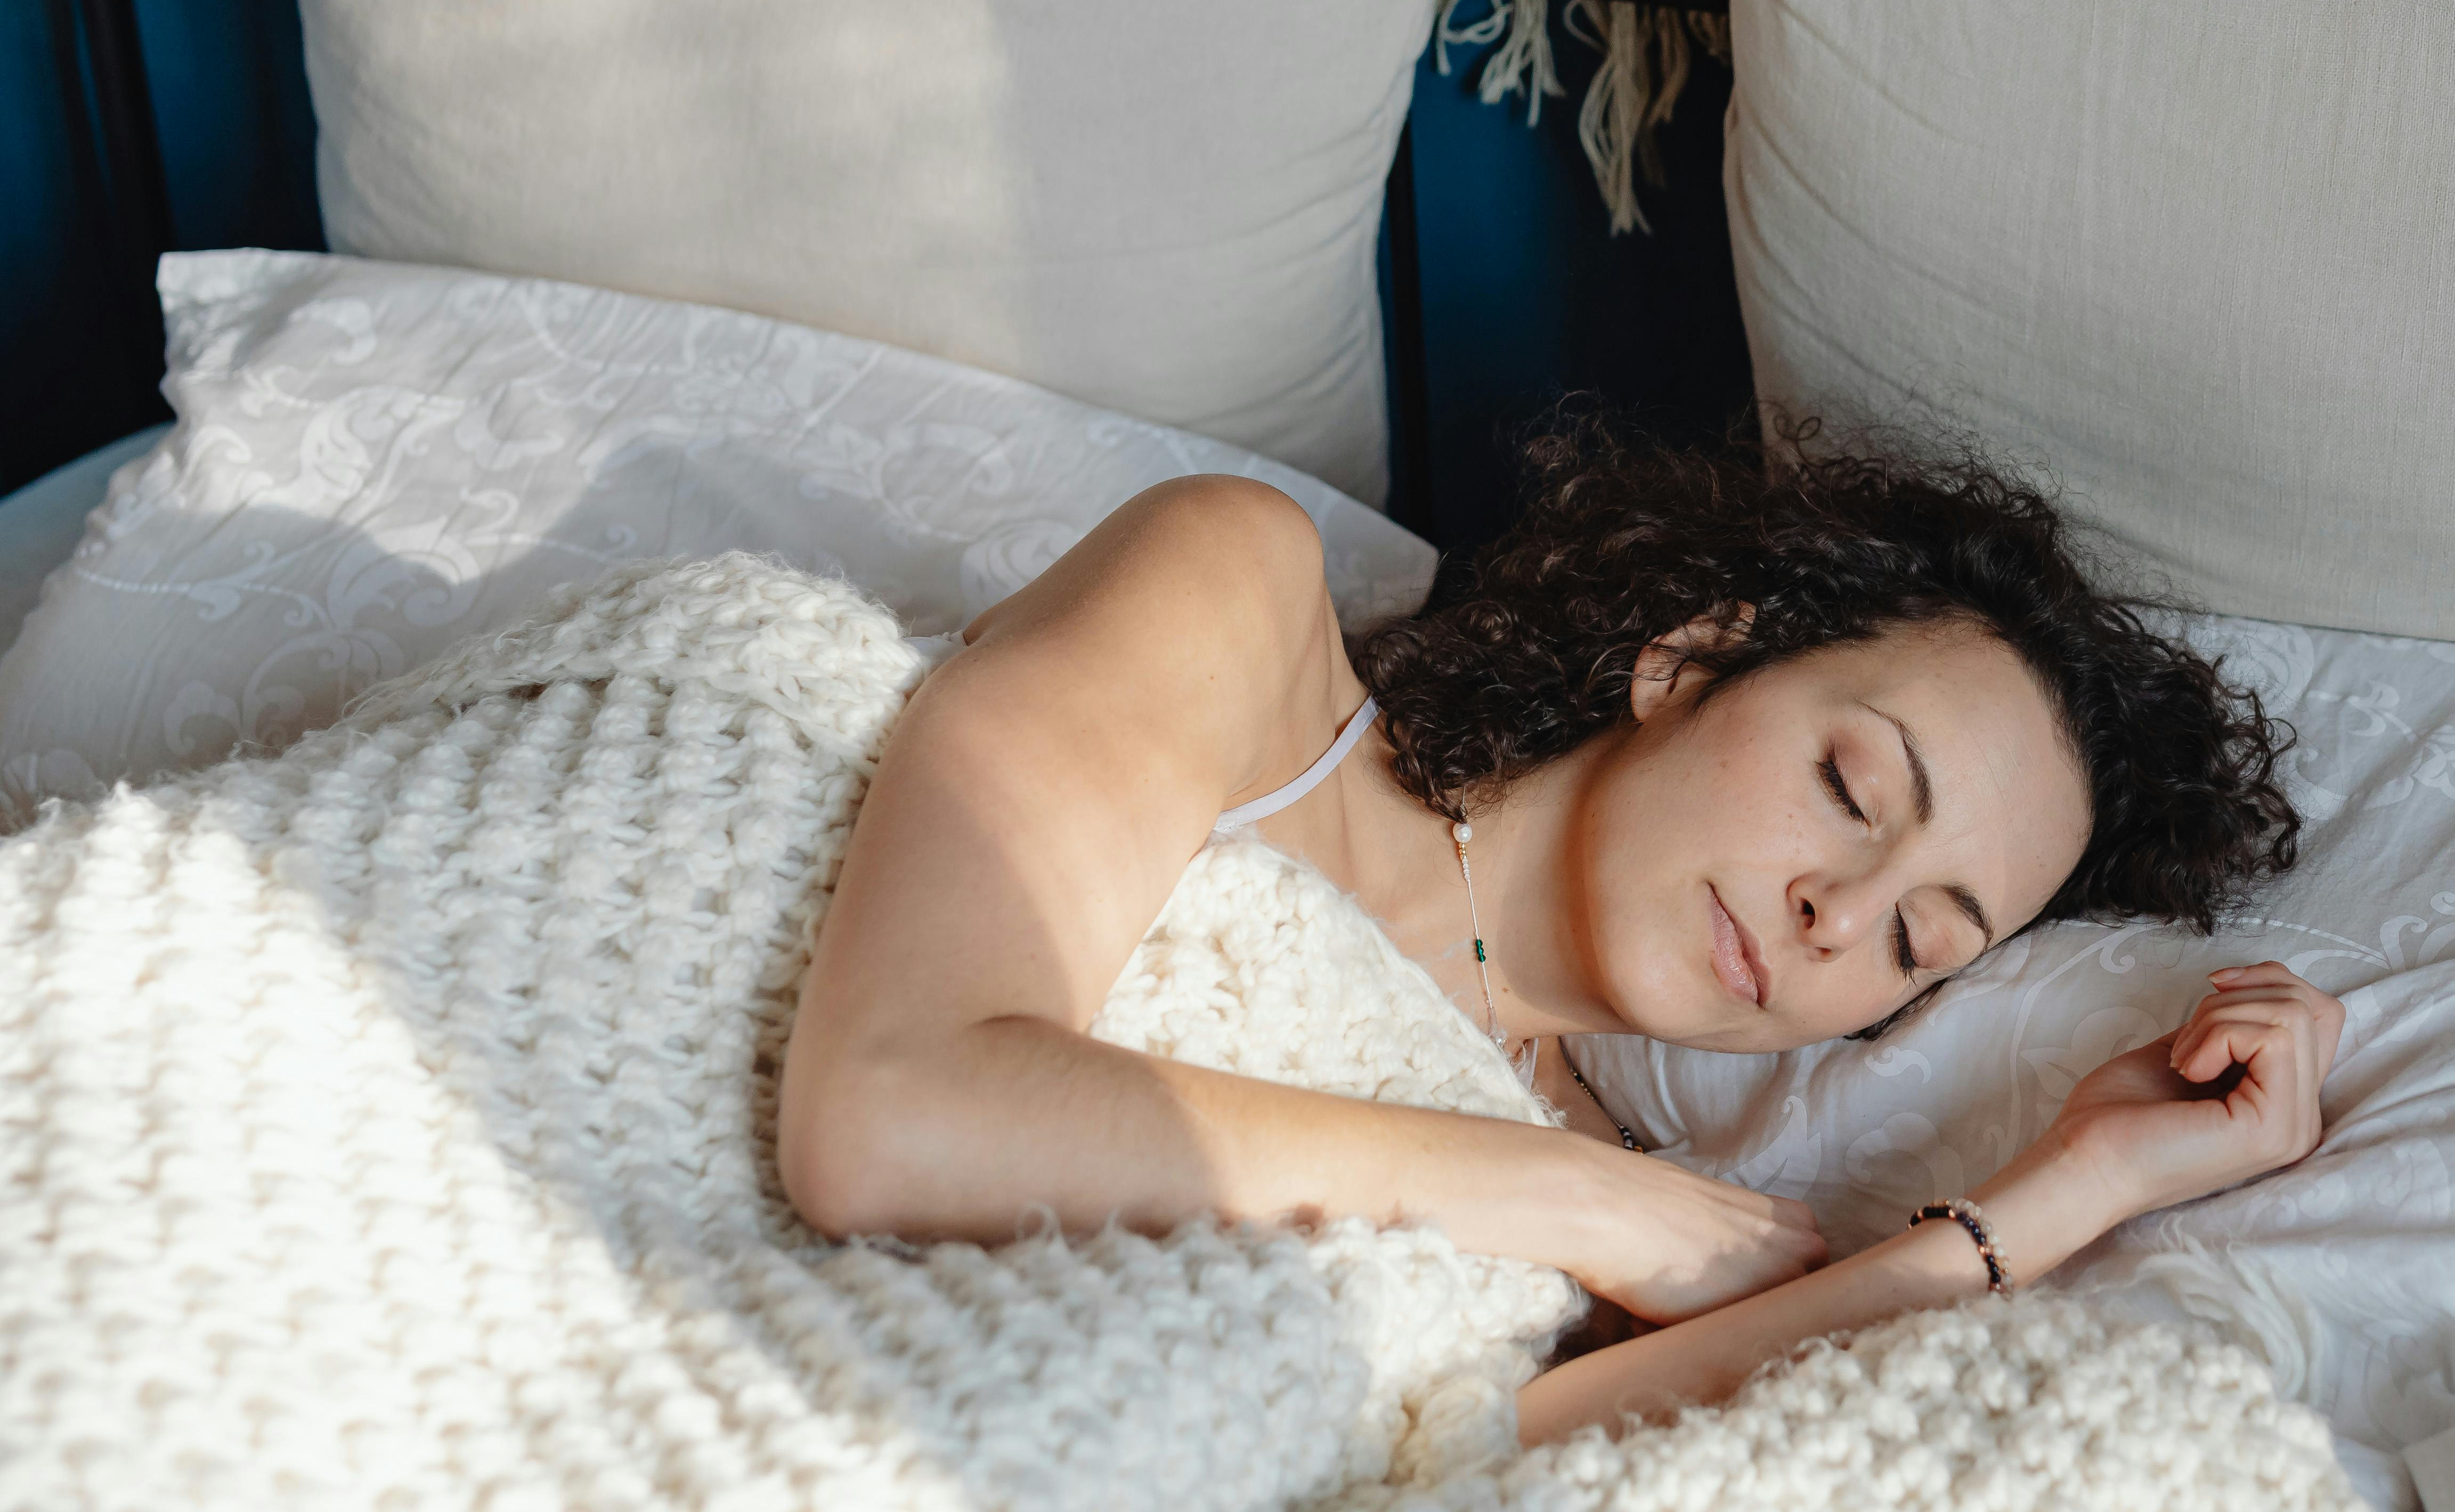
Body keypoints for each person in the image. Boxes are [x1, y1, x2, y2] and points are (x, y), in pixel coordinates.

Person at [780, 426, 2332, 1446]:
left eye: (1921, 942)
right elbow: (890, 1112)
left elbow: (1488, 1473)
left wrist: (2089, 1182)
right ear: (1690, 659)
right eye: (1849, 788)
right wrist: (1568, 1201)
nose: (1837, 916)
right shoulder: (1236, 602)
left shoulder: (1616, 1192)